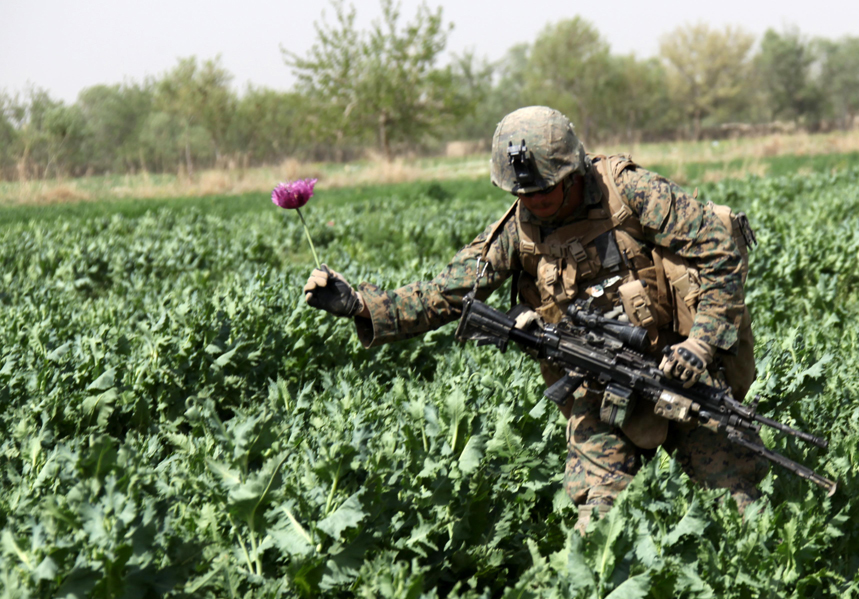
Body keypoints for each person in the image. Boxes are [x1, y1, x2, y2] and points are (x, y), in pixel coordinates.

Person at [304, 106, 766, 530]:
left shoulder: (629, 191)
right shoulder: (515, 232)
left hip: (682, 370)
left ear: (572, 171)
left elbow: (719, 251)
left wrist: (701, 345)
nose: (535, 201)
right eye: (523, 192)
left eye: (546, 189)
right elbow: (445, 295)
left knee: (737, 505)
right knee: (598, 527)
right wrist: (361, 305)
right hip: (602, 386)